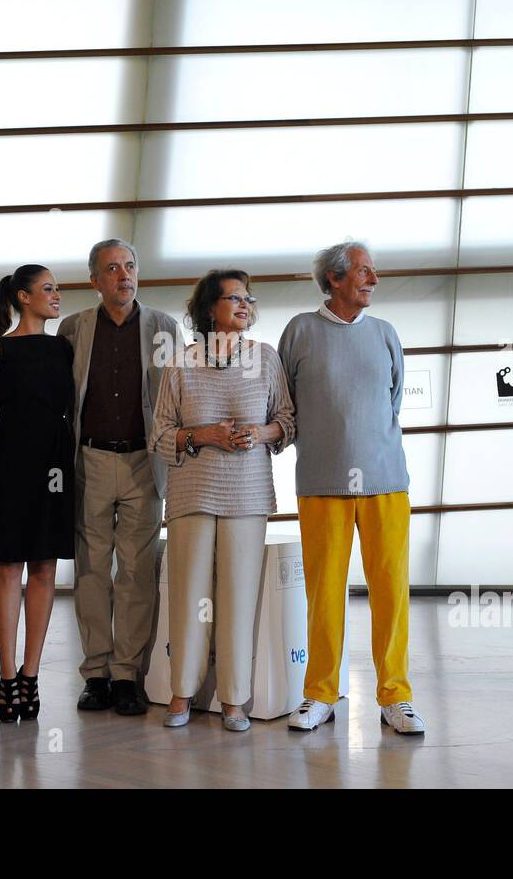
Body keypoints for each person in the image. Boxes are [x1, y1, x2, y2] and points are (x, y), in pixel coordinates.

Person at [278, 241, 425, 735]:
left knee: (391, 592)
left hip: (386, 483)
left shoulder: (385, 334)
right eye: (364, 272)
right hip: (321, 484)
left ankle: (396, 697)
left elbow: (393, 403)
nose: (373, 280)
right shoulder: (299, 331)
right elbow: (286, 405)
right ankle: (319, 694)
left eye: (372, 271)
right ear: (336, 279)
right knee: (324, 595)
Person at [151, 269, 295, 731]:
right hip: (192, 492)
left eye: (247, 299)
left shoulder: (267, 359)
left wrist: (259, 432)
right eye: (233, 298)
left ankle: (235, 699)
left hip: (248, 493)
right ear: (209, 308)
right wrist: (204, 435)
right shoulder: (180, 362)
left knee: (238, 596)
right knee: (190, 595)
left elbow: (287, 423)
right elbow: (160, 435)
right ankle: (181, 694)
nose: (243, 305)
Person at [57, 239, 180, 716]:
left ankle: (127, 675)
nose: (123, 275)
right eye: (112, 268)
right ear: (95, 280)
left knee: (136, 571)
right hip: (88, 460)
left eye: (130, 266)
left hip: (144, 463)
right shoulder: (73, 329)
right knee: (90, 569)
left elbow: (177, 395)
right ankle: (96, 673)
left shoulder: (164, 327)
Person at [0, 265, 74, 723]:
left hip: (54, 460)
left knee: (44, 564)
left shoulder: (65, 348)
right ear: (24, 297)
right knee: (8, 565)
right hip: (9, 458)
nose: (57, 296)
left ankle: (31, 674)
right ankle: (7, 676)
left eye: (58, 289)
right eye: (48, 289)